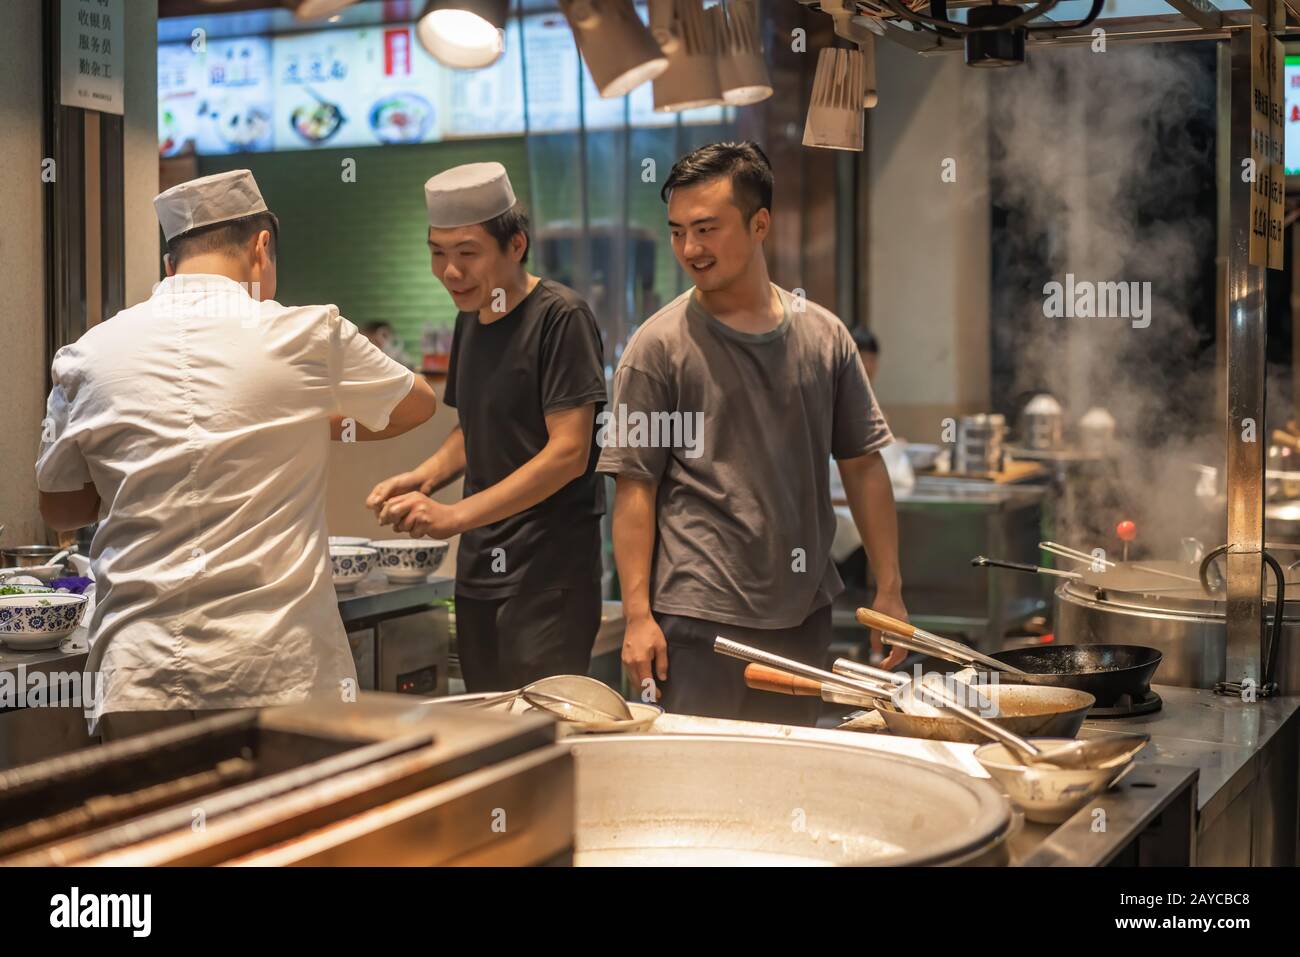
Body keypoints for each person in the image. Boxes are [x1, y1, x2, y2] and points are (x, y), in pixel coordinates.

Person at [35, 169, 437, 742]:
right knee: (282, 834)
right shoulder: (305, 333)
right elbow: (415, 404)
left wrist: (134, 467)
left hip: (140, 676)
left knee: (157, 832)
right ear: (262, 246)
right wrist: (298, 419)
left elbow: (60, 509)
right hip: (279, 674)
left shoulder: (89, 353)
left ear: (169, 264)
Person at [597, 142, 907, 725]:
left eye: (708, 228)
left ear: (760, 223)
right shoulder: (656, 347)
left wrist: (888, 588)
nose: (691, 248)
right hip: (695, 620)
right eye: (678, 231)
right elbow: (634, 489)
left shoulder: (825, 337)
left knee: (785, 785)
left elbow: (863, 463)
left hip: (802, 614)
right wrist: (638, 616)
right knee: (700, 792)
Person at [367, 162, 607, 692]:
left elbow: (569, 453)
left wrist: (455, 515)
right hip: (480, 573)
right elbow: (474, 430)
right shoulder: (470, 319)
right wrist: (424, 478)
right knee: (487, 729)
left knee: (542, 734)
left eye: (467, 253)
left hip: (548, 579)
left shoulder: (561, 317)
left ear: (515, 245)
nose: (451, 272)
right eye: (438, 253)